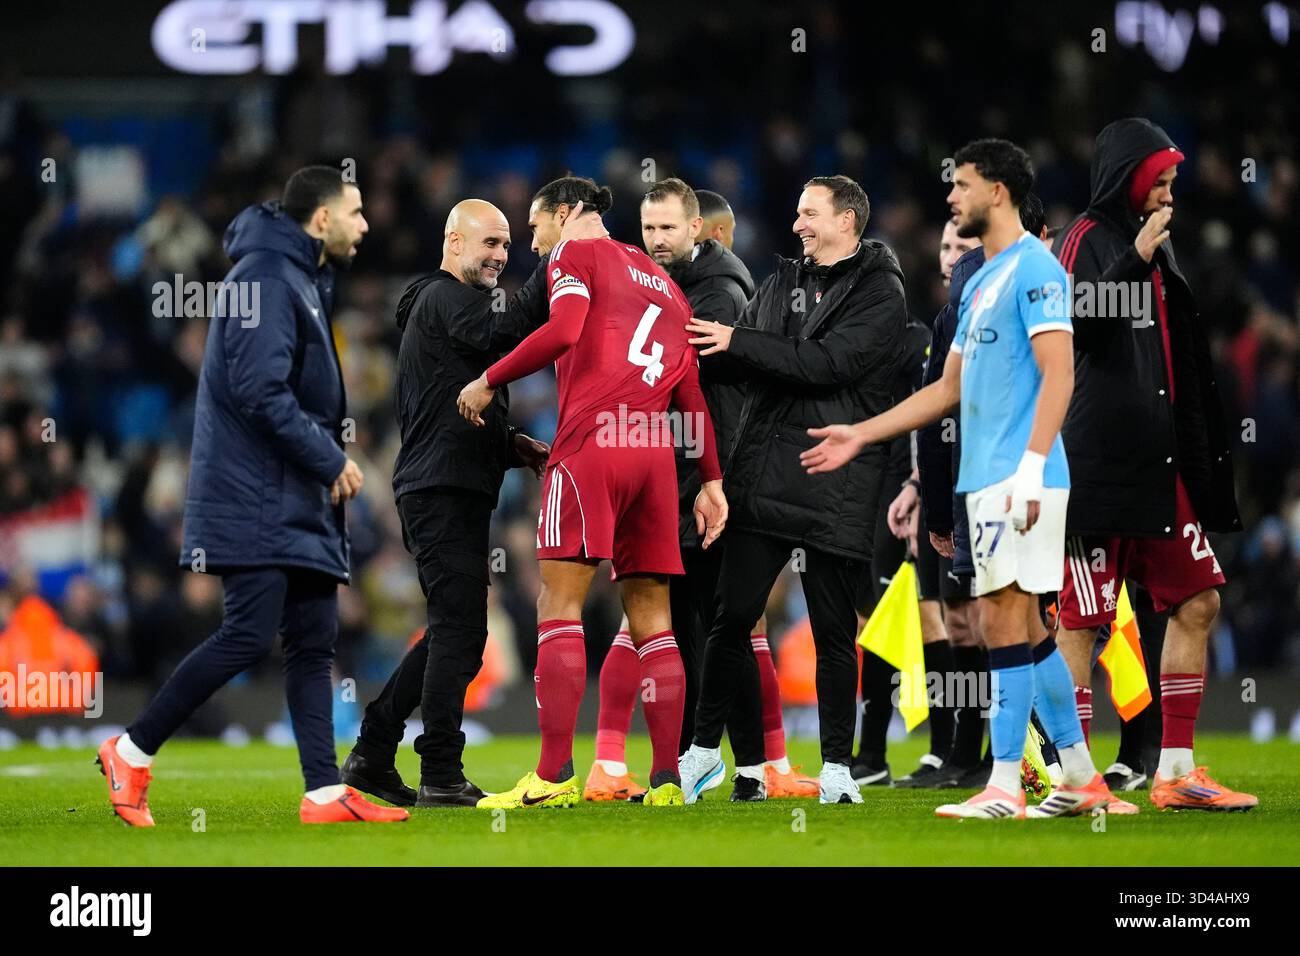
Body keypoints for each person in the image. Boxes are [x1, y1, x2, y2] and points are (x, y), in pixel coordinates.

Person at [801, 140, 1116, 819]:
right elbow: (946, 390)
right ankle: (1082, 777)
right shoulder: (985, 280)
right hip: (984, 480)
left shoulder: (1037, 269)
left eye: (963, 185)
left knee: (1001, 622)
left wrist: (1030, 471)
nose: (951, 196)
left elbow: (1060, 373)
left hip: (1019, 477)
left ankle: (1004, 783)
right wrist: (863, 432)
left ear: (997, 192)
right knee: (1027, 630)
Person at [96, 166, 407, 826]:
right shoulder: (265, 280)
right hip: (259, 492)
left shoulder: (295, 278)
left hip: (290, 494)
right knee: (247, 634)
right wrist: (330, 458)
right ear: (320, 220)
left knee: (313, 639)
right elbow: (260, 393)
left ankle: (323, 792)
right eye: (355, 212)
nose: (366, 224)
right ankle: (130, 748)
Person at [457, 177, 728, 809]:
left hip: (592, 447)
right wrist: (711, 479)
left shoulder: (576, 255)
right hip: (656, 458)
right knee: (655, 623)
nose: (533, 239)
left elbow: (564, 329)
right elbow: (689, 396)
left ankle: (552, 779)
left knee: (559, 606)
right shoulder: (667, 286)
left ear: (567, 214)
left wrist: (489, 379)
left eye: (535, 225)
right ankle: (666, 784)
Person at [585, 179, 817, 803]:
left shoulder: (714, 290)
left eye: (668, 229)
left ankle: (715, 762)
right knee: (710, 621)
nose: (656, 241)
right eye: (649, 228)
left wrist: (704, 480)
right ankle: (747, 765)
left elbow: (676, 378)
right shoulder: (673, 281)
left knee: (706, 621)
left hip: (707, 474)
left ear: (698, 231)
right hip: (680, 470)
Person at [678, 175, 908, 805]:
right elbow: (746, 357)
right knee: (731, 618)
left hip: (833, 477)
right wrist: (680, 349)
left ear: (848, 219)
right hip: (766, 473)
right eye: (797, 212)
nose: (798, 224)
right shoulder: (783, 281)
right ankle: (702, 754)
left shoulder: (883, 292)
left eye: (810, 213)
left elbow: (831, 364)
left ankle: (838, 768)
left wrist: (742, 343)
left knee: (834, 633)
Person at [1052, 117, 1255, 811]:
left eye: (1172, 184)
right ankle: (1073, 779)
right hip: (1098, 468)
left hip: (1161, 468)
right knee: (1082, 621)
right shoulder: (1084, 240)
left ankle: (1175, 772)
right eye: (1158, 182)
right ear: (1128, 179)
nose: (1169, 196)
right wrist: (1134, 259)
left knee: (1198, 601)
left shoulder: (1157, 248)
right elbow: (1074, 325)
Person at [341, 200, 552, 808]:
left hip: (446, 483)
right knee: (460, 630)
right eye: (489, 243)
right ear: (453, 240)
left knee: (453, 630)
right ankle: (439, 770)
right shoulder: (446, 298)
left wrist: (511, 446)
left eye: (508, 245)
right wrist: (557, 261)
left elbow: (444, 409)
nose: (501, 255)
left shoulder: (440, 305)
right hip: (441, 490)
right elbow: (511, 332)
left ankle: (374, 752)